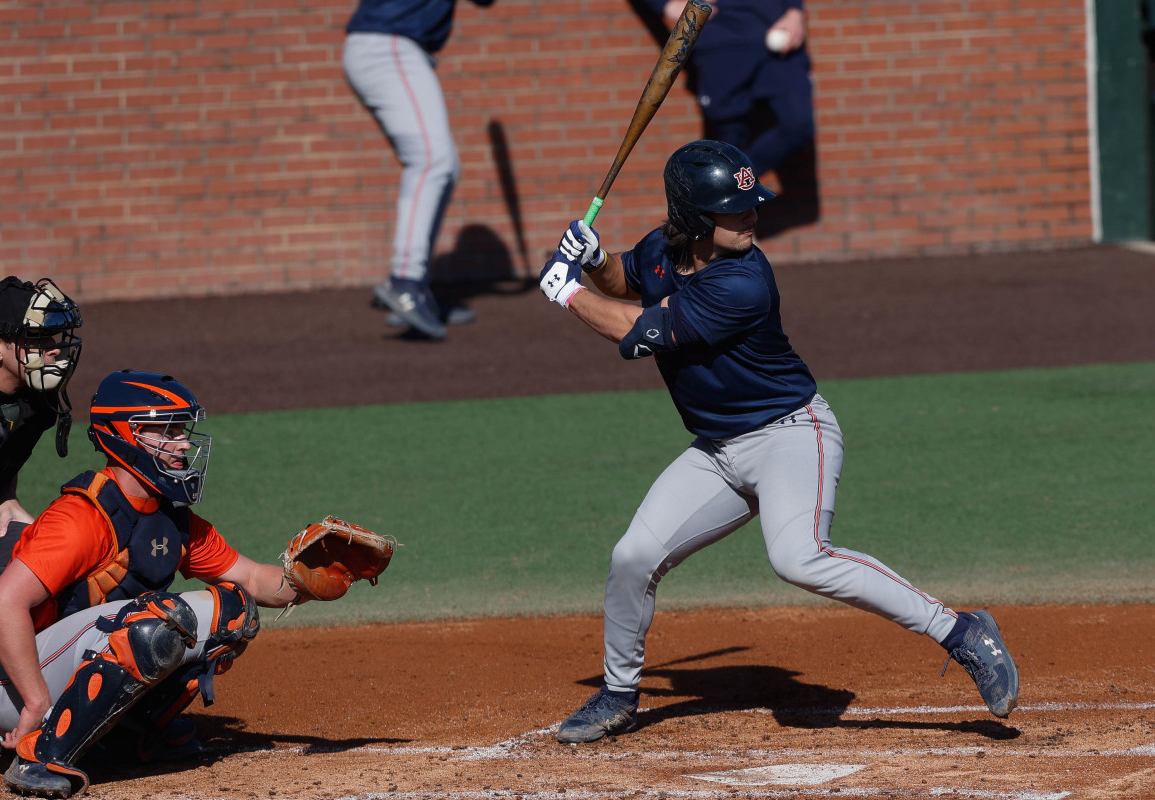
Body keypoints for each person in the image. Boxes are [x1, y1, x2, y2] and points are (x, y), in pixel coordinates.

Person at [538, 139, 1020, 744]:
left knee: (798, 557)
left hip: (790, 435)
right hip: (717, 451)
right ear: (693, 219)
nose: (751, 216)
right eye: (733, 209)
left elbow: (637, 331)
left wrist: (567, 293)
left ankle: (960, 630)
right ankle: (618, 694)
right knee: (632, 557)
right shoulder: (665, 247)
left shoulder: (744, 281)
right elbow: (629, 280)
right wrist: (594, 258)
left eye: (750, 204)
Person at [0, 370, 336, 797]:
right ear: (126, 435)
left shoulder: (171, 520)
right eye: (168, 431)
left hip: (61, 667)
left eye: (182, 430)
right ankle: (40, 755)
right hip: (7, 681)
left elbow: (252, 578)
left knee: (232, 610)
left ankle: (132, 734)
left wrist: (311, 580)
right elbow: (2, 604)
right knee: (154, 621)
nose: (183, 444)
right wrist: (35, 702)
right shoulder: (82, 516)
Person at [0, 276, 83, 755]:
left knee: (29, 558)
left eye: (55, 338)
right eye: (38, 340)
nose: (54, 351)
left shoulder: (37, 395)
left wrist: (5, 495)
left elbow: (4, 448)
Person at [343, 0, 494, 340]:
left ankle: (417, 289)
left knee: (445, 166)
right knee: (431, 161)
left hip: (390, 45)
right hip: (387, 44)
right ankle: (405, 282)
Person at [636, 0, 814, 178]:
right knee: (728, 143)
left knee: (798, 125)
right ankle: (728, 184)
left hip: (778, 37)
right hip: (720, 42)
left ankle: (730, 182)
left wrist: (794, 11)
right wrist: (666, 5)